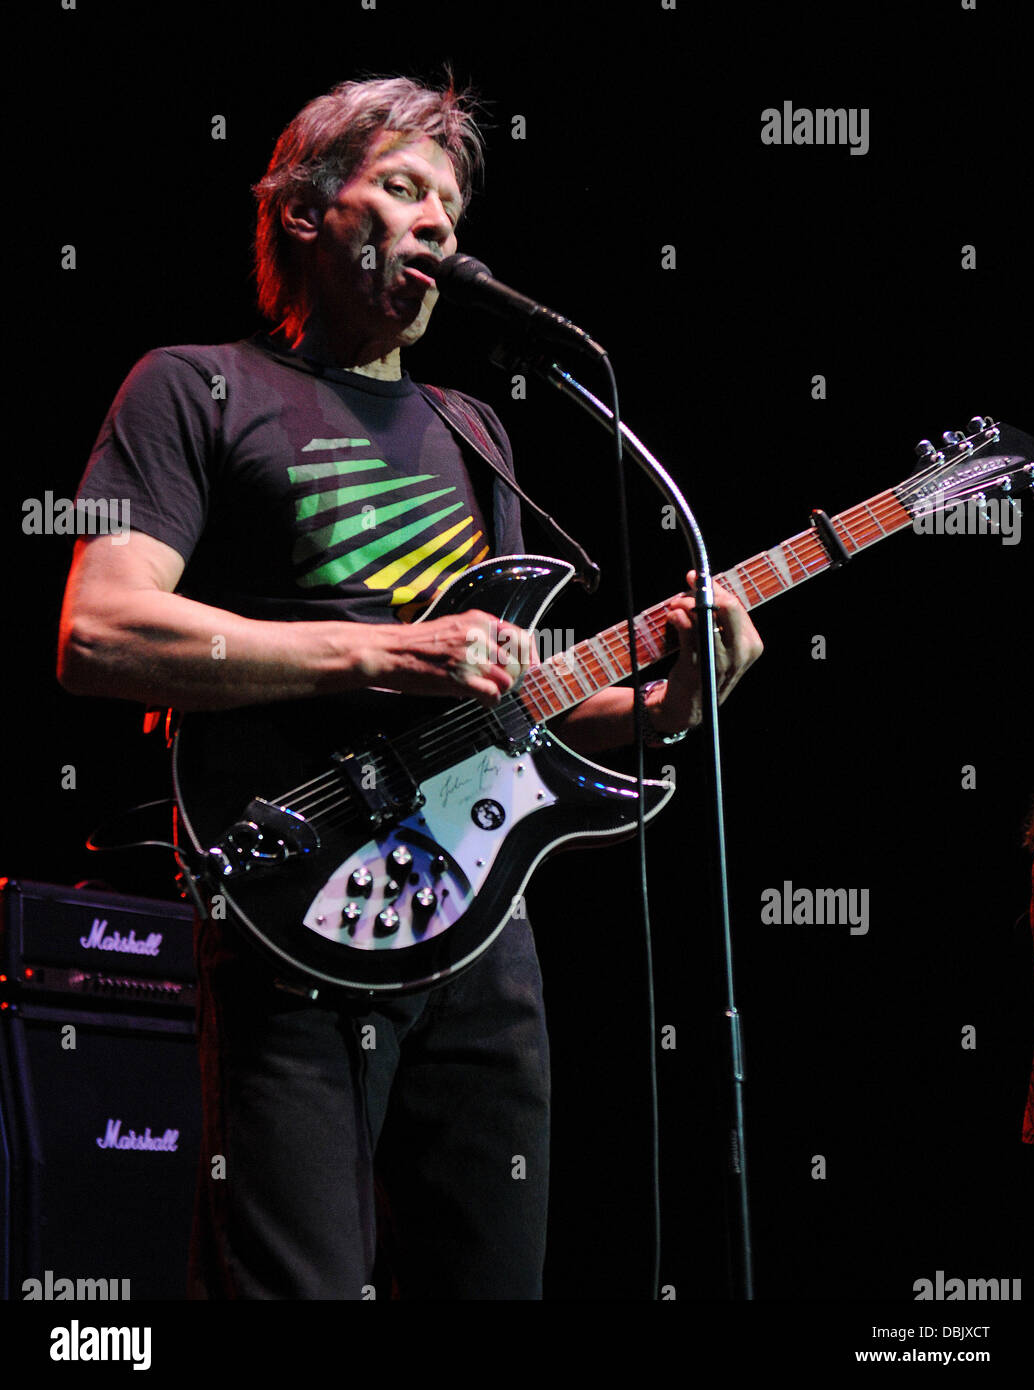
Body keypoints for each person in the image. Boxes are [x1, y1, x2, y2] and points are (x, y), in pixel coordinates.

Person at [57, 76, 764, 1299]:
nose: (436, 218)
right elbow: (101, 630)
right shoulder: (191, 386)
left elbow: (510, 706)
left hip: (481, 930)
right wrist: (381, 652)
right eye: (401, 187)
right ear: (301, 213)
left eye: (449, 201)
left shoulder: (472, 429)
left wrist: (667, 700)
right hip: (295, 895)